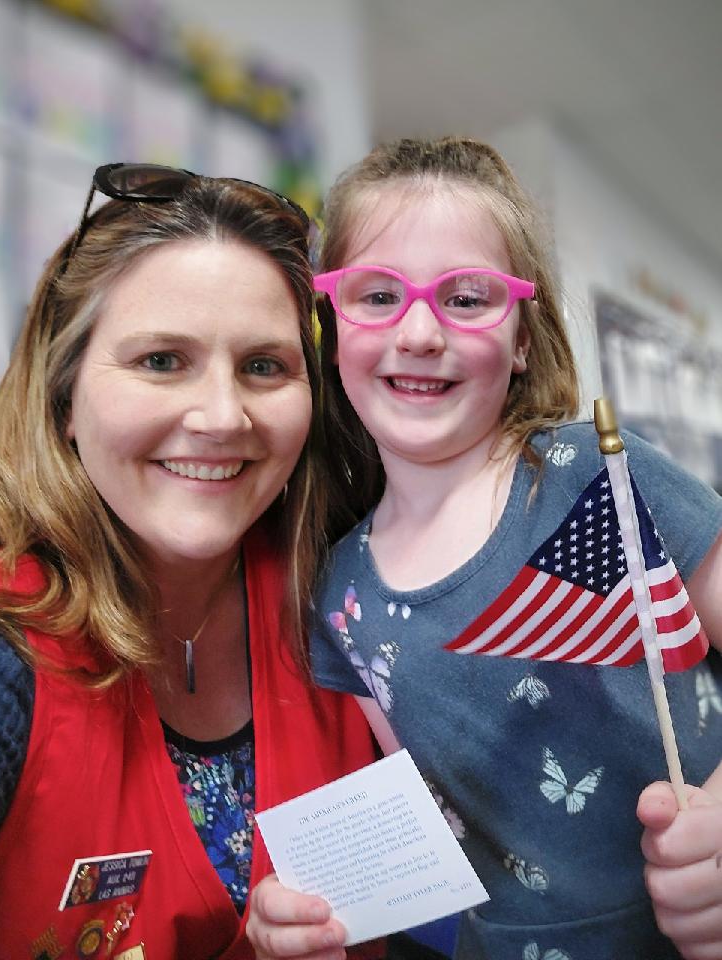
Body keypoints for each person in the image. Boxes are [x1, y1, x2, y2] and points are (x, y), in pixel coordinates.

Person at [244, 137, 722, 960]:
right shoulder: (337, 593)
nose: (420, 331)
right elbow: (423, 833)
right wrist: (302, 917)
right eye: (376, 295)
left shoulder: (599, 475)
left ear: (524, 338)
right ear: (331, 328)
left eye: (467, 298)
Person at [0, 164, 381, 960]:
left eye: (263, 366)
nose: (221, 417)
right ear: (64, 394)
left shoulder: (354, 605)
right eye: (160, 361)